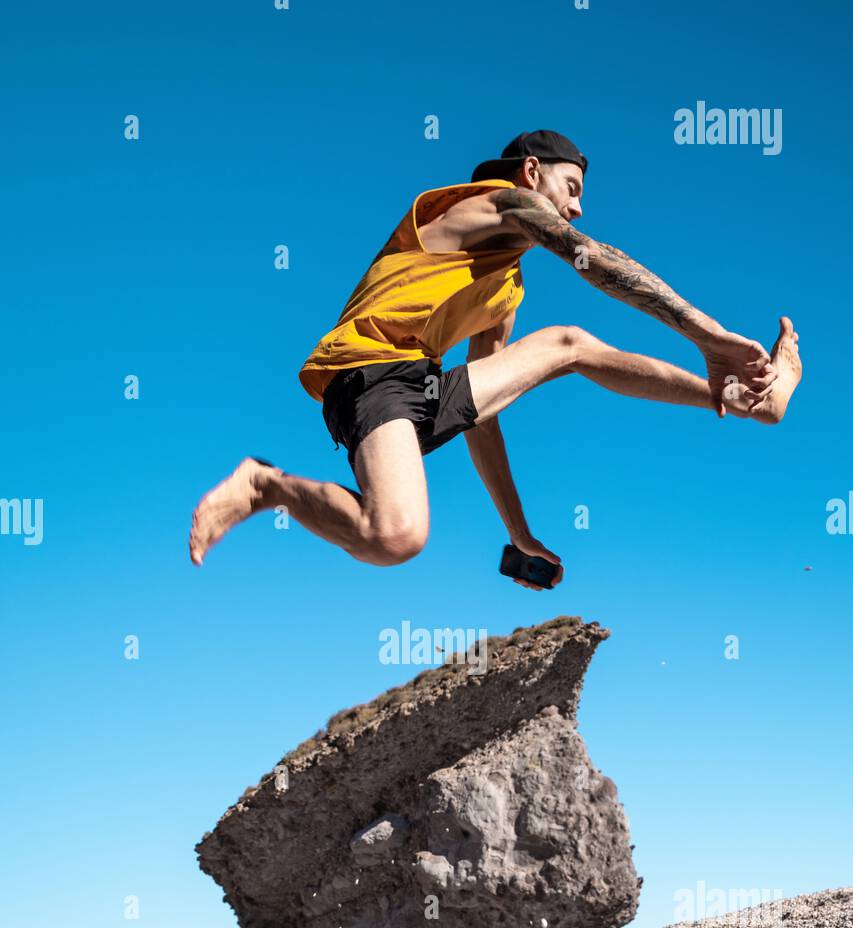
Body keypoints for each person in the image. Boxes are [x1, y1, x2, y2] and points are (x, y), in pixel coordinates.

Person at [189, 129, 801, 589]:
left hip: (422, 385)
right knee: (395, 537)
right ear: (532, 172)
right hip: (368, 371)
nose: (578, 206)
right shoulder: (494, 203)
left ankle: (734, 399)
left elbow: (483, 413)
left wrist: (516, 530)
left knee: (570, 344)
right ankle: (266, 483)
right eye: (572, 188)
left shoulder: (505, 291)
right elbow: (590, 257)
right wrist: (709, 334)